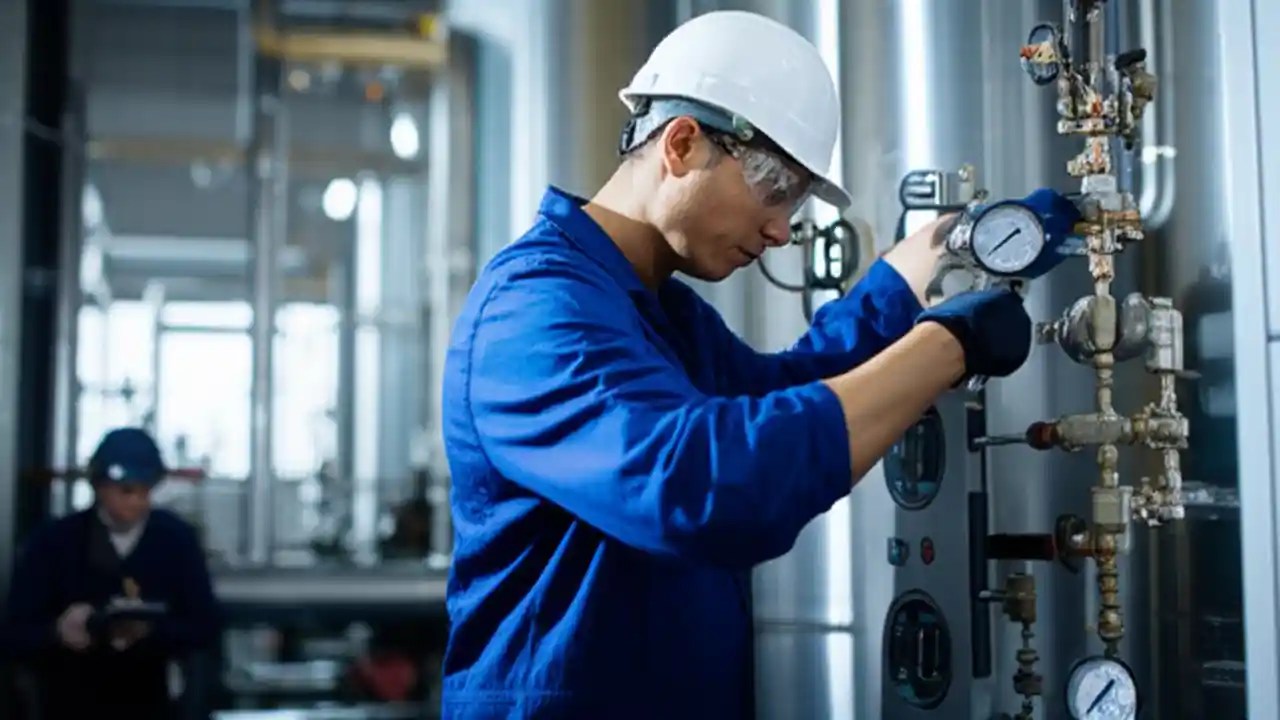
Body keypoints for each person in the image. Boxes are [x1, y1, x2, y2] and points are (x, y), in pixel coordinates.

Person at [440, 10, 1078, 719]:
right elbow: (702, 483)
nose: (780, 231)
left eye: (797, 203)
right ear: (680, 144)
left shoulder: (664, 314)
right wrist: (945, 346)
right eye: (775, 191)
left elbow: (783, 394)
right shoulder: (533, 310)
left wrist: (927, 263)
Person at [1, 427, 221, 719]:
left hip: (151, 702)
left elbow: (205, 625)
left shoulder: (175, 541)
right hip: (71, 702)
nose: (136, 502)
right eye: (126, 490)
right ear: (99, 486)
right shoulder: (54, 543)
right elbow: (15, 634)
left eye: (145, 490)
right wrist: (58, 632)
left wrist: (151, 630)